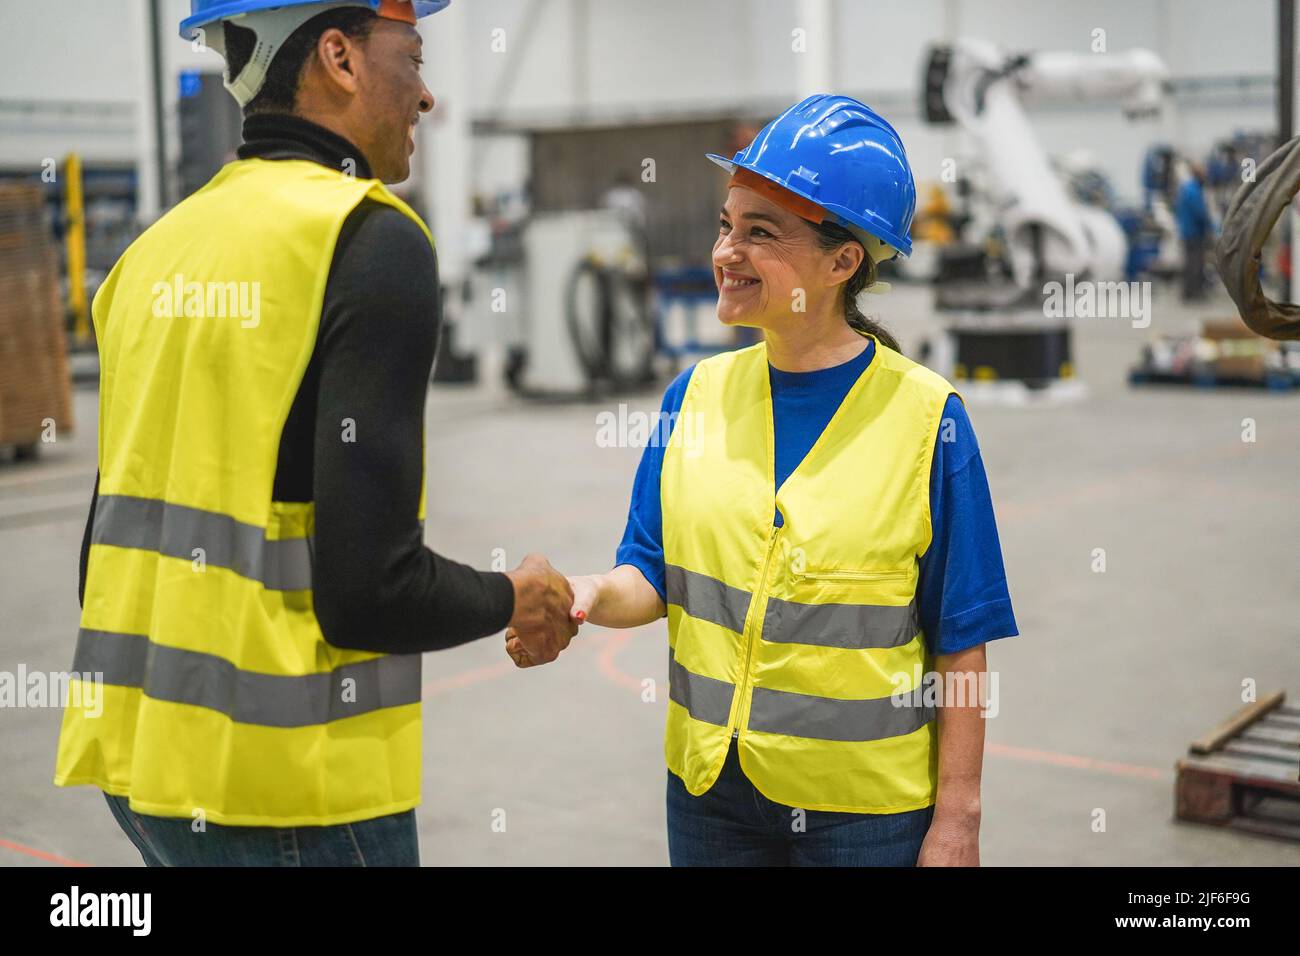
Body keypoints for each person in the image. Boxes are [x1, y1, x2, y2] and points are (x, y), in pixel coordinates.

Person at [54, 0, 576, 867]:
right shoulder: (365, 240)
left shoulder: (155, 253)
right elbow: (368, 590)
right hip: (286, 785)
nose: (428, 95)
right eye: (411, 57)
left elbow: (105, 549)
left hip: (141, 762)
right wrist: (512, 595)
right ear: (338, 56)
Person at [507, 95, 1019, 867]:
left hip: (863, 811)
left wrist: (959, 821)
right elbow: (649, 572)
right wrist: (581, 596)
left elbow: (963, 640)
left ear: (843, 262)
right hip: (712, 792)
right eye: (726, 225)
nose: (726, 252)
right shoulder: (697, 397)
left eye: (761, 234)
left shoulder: (927, 419)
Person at [1176, 161, 1214, 301]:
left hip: (1187, 231)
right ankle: (1194, 292)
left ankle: (1189, 291)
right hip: (1194, 232)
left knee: (1190, 263)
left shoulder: (1187, 188)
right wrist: (1209, 224)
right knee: (1195, 264)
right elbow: (1199, 212)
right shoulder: (1193, 190)